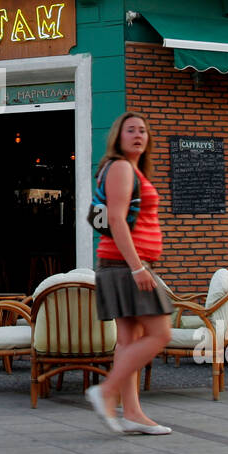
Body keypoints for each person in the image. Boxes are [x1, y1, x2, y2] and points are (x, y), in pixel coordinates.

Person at [84, 112, 175, 436]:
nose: (138, 135)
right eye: (131, 130)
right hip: (126, 266)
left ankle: (133, 413)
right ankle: (106, 391)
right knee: (160, 333)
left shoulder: (129, 170)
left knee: (129, 340)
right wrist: (137, 266)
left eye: (143, 130)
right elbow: (117, 220)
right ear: (118, 137)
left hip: (119, 264)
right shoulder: (121, 167)